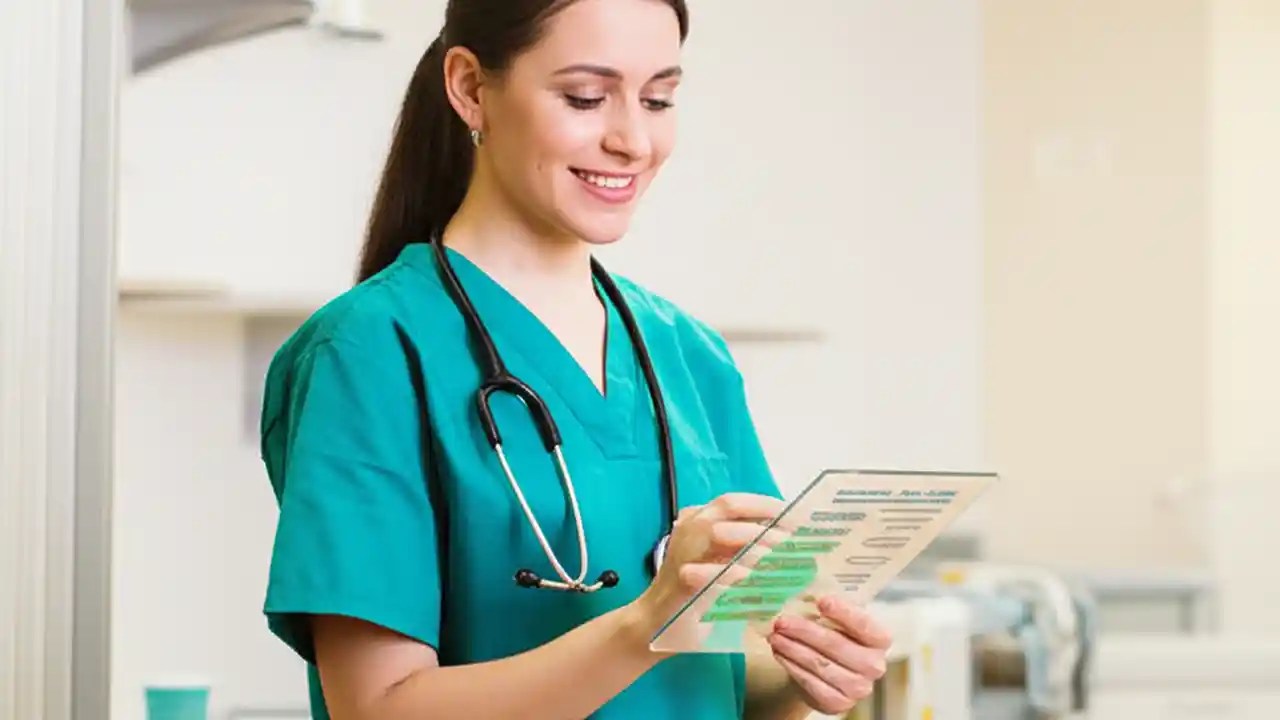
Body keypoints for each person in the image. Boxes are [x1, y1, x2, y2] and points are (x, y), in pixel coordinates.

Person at [258, 0, 893, 718]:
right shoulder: (369, 352)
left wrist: (806, 678)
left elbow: (723, 681)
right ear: (469, 87)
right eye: (586, 97)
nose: (632, 139)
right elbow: (379, 707)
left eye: (659, 98)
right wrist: (641, 621)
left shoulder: (689, 356)